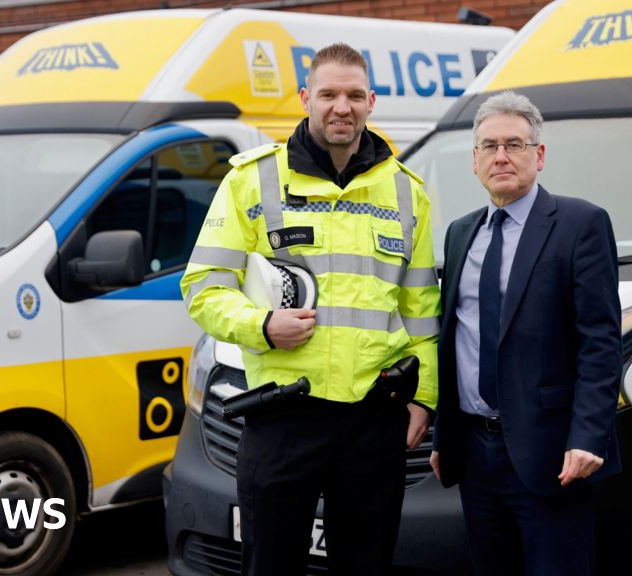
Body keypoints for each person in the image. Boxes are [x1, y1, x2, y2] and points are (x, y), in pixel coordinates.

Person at [181, 43, 440, 576]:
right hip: (283, 417)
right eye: (328, 94)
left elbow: (421, 311)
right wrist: (262, 326)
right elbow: (203, 286)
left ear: (371, 102)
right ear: (305, 98)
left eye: (354, 95)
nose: (341, 107)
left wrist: (426, 398)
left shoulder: (406, 192)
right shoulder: (252, 180)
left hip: (373, 418)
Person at [429, 90, 622, 575]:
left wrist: (588, 437)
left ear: (539, 155)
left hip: (552, 454)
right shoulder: (460, 233)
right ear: (474, 160)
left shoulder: (580, 224)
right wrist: (442, 436)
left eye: (514, 144)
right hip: (474, 455)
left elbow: (600, 343)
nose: (501, 156)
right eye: (489, 146)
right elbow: (455, 339)